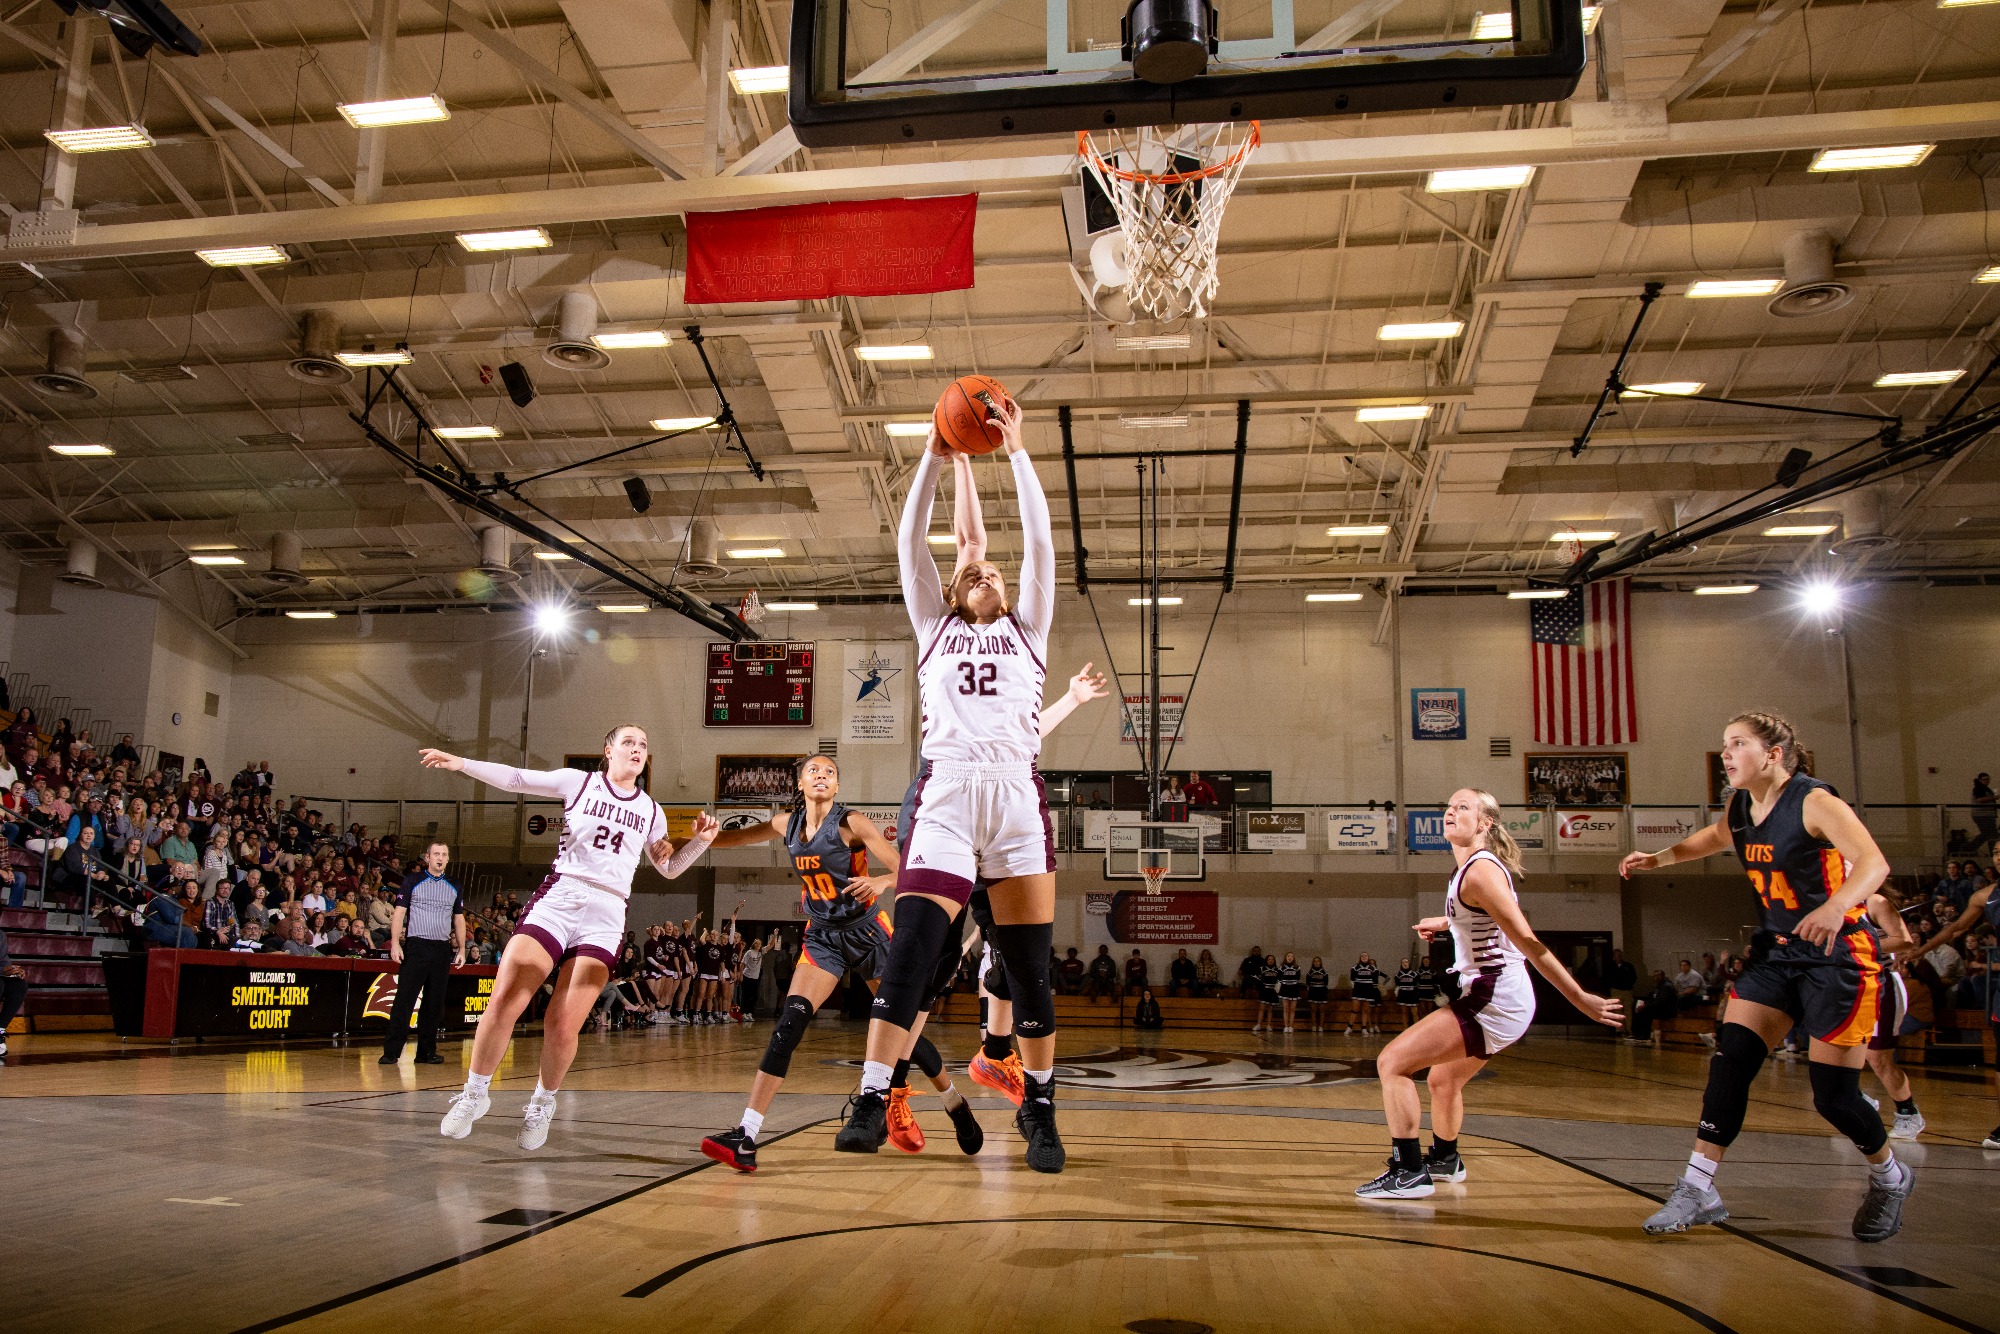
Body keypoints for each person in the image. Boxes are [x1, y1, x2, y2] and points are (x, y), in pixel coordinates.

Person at [833, 399, 1071, 1174]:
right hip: (947, 795)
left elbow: (1038, 541)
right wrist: (936, 457)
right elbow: (911, 541)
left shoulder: (1028, 627)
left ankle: (1040, 1110)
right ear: (956, 594)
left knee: (1029, 970)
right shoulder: (935, 631)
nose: (989, 574)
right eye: (974, 574)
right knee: (915, 956)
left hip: (1014, 798)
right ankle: (873, 1094)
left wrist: (1020, 453)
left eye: (994, 572)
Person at [1621, 712, 1914, 1241]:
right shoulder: (1740, 806)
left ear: (1774, 755)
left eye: (1738, 744)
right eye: (1724, 745)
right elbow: (1714, 838)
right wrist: (1659, 859)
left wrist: (1836, 906)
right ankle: (1698, 1185)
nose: (1726, 754)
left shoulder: (1816, 802)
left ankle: (1890, 1176)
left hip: (1838, 956)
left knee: (1834, 1099)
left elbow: (1873, 863)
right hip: (1777, 955)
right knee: (1729, 1065)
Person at [426, 726, 717, 1151]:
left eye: (644, 745)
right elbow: (515, 778)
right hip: (561, 897)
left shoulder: (652, 811)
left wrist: (699, 843)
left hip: (607, 913)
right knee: (507, 996)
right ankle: (474, 1094)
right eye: (629, 743)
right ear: (608, 751)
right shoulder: (579, 783)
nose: (638, 750)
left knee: (562, 1024)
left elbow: (669, 868)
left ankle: (543, 1102)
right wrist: (461, 763)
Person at [698, 755, 979, 1171]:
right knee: (788, 1025)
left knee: (902, 1039)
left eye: (830, 771)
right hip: (823, 936)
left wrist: (881, 881)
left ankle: (954, 1102)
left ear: (837, 786)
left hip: (869, 933)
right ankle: (747, 1134)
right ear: (799, 783)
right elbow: (732, 840)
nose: (822, 775)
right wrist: (701, 838)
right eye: (814, 770)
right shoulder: (785, 825)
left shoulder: (853, 823)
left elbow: (907, 870)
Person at [1357, 788, 1621, 1199]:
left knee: (1392, 1062)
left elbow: (1529, 941)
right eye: (1448, 806)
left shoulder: (1480, 872)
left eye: (1463, 807)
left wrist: (1579, 997)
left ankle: (1408, 1171)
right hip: (1503, 996)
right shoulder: (1470, 870)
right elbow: (1478, 916)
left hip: (1496, 995)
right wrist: (1446, 923)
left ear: (1485, 823)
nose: (1450, 812)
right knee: (1443, 1081)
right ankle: (1445, 1159)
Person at [1909, 859, 2000, 1149]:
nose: (1999, 856)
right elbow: (1955, 929)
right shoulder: (1984, 895)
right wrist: (1919, 952)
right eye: (1997, 851)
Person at [379, 840, 467, 1066]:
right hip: (416, 946)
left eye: (444, 854)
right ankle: (391, 1051)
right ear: (427, 857)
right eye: (436, 854)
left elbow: (458, 918)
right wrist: (396, 944)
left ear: (448, 859)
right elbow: (399, 913)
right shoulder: (412, 881)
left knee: (434, 1003)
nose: (440, 858)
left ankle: (426, 1052)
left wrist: (462, 948)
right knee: (404, 999)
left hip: (441, 948)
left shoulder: (455, 885)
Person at [1860, 890, 1924, 1140]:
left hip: (1881, 984)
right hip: (1850, 985)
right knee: (1835, 1051)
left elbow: (1903, 940)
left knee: (1878, 1057)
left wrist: (1857, 945)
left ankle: (1909, 1114)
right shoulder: (1831, 903)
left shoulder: (1875, 902)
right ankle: (1859, 1102)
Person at [1346, 951, 1382, 1035]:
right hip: (1358, 990)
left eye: (1366, 956)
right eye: (1362, 956)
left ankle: (1364, 1028)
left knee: (1365, 1010)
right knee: (1355, 1009)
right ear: (1360, 958)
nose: (1364, 957)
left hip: (1368, 990)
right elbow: (1352, 979)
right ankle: (1349, 1027)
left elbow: (1375, 980)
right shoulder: (1355, 967)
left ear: (1368, 957)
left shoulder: (1373, 968)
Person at [1252, 953, 1280, 1033]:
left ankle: (1269, 1025)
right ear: (1266, 960)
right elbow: (1257, 979)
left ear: (1274, 961)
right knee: (1261, 1009)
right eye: (1269, 959)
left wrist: (1278, 987)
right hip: (1264, 990)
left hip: (1272, 990)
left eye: (1272, 959)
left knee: (1270, 1009)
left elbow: (1278, 980)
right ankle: (1258, 1024)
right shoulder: (1262, 969)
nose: (1270, 961)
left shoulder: (1277, 970)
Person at [1973, 773, 1998, 857]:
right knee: (1988, 834)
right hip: (1982, 814)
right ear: (1980, 780)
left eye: (1988, 779)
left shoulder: (1985, 788)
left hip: (1988, 814)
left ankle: (1994, 852)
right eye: (1984, 779)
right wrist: (1995, 797)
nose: (1987, 781)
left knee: (1991, 834)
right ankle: (1968, 848)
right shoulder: (1978, 788)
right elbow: (1980, 799)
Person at [1277, 951, 1302, 1032]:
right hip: (1285, 988)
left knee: (1292, 1009)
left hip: (1294, 988)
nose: (1290, 957)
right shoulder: (1282, 967)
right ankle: (1286, 1026)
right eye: (1288, 956)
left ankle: (1291, 1026)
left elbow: (1298, 978)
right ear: (1286, 957)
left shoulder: (1297, 967)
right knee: (1286, 1009)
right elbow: (1278, 977)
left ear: (1293, 958)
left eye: (1291, 956)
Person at [1394, 957, 1422, 1029]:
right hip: (1403, 994)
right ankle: (1405, 1029)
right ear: (1401, 964)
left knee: (1415, 1013)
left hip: (1412, 994)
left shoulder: (1415, 974)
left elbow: (1417, 983)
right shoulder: (1398, 975)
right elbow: (1398, 984)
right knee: (1404, 1013)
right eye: (1403, 962)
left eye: (1406, 962)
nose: (1405, 964)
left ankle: (1417, 1029)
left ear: (1409, 963)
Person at [1305, 956, 1331, 1031]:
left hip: (1322, 991)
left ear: (1320, 962)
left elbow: (1326, 983)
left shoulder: (1324, 973)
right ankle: (1313, 1026)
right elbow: (1308, 983)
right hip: (1313, 991)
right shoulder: (1310, 973)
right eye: (1315, 961)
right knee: (1313, 1010)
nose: (1316, 962)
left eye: (1318, 961)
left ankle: (1321, 1027)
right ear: (1313, 963)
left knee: (1322, 1011)